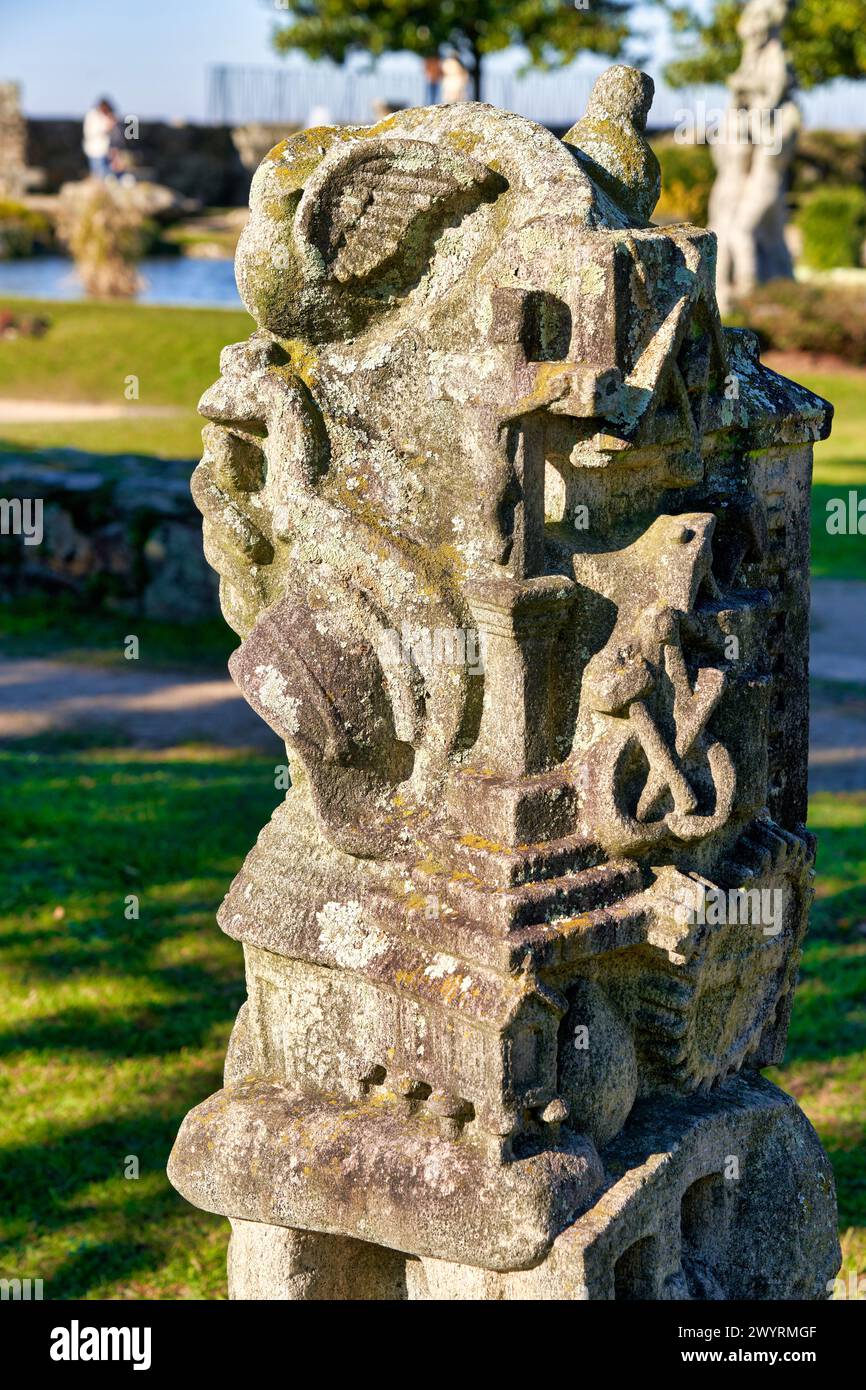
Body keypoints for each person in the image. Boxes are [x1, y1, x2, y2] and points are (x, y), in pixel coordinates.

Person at [82, 98, 117, 179]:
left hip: (103, 150)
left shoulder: (103, 116)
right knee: (99, 174)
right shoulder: (92, 115)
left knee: (104, 173)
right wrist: (108, 126)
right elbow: (91, 132)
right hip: (95, 149)